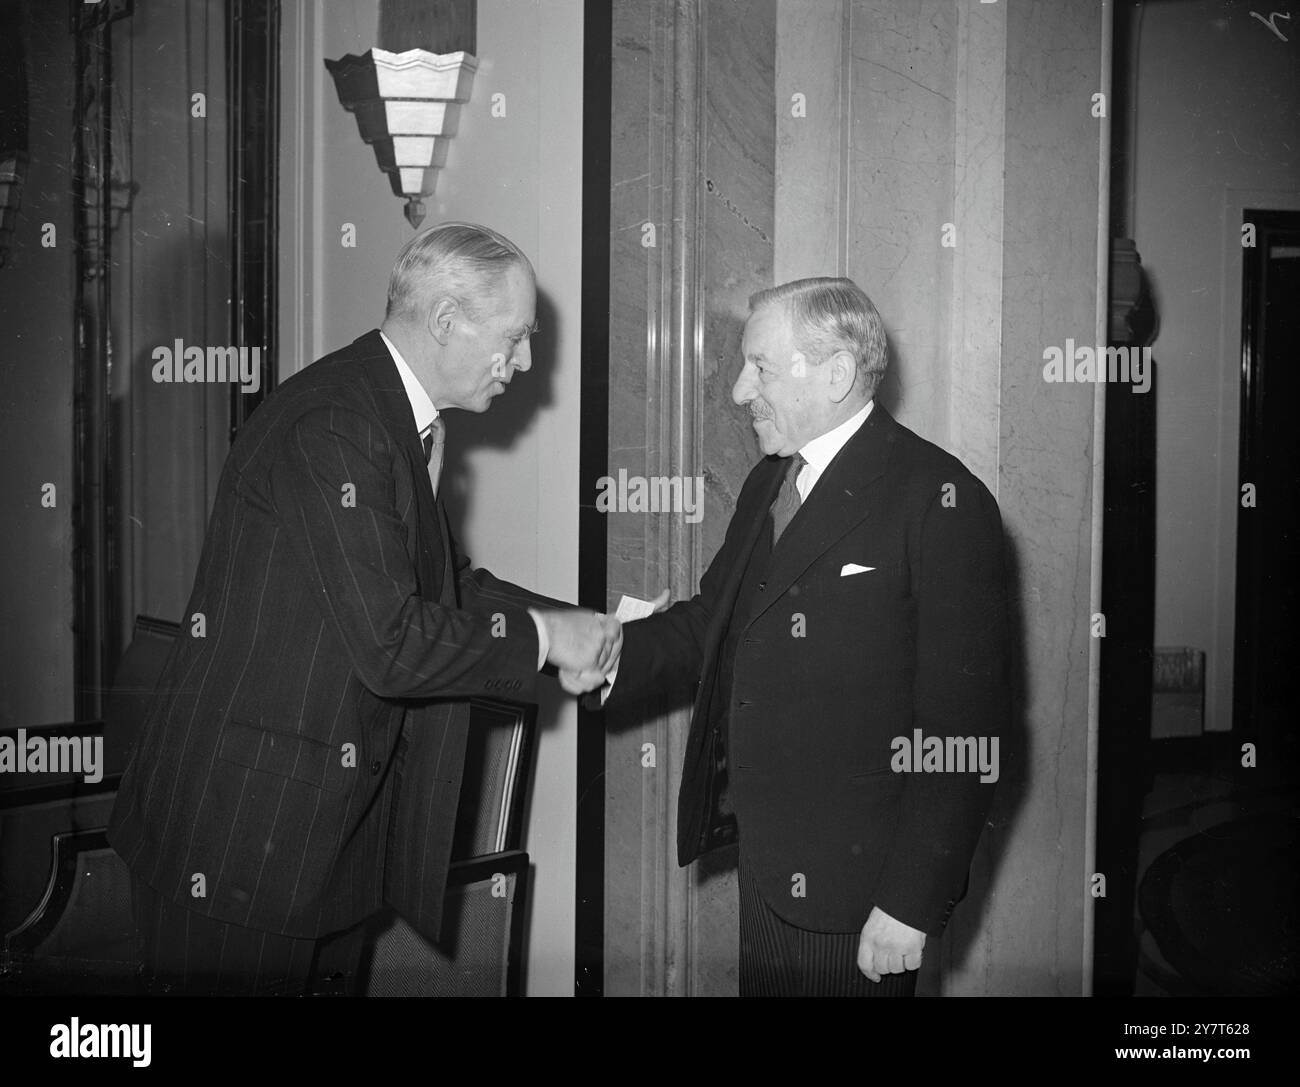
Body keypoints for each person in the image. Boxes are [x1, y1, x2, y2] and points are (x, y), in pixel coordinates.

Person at [108, 222, 618, 996]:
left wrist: (580, 627)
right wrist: (546, 638)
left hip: (326, 838)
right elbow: (390, 639)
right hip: (243, 839)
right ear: (446, 322)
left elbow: (442, 588)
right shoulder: (336, 422)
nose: (523, 363)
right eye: (514, 338)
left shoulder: (386, 416)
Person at [586, 277, 1010, 997]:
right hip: (771, 868)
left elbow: (964, 729)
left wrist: (910, 901)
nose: (739, 390)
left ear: (837, 373)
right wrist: (604, 650)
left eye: (761, 367)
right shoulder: (769, 483)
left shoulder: (940, 499)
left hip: (861, 892)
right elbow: (707, 625)